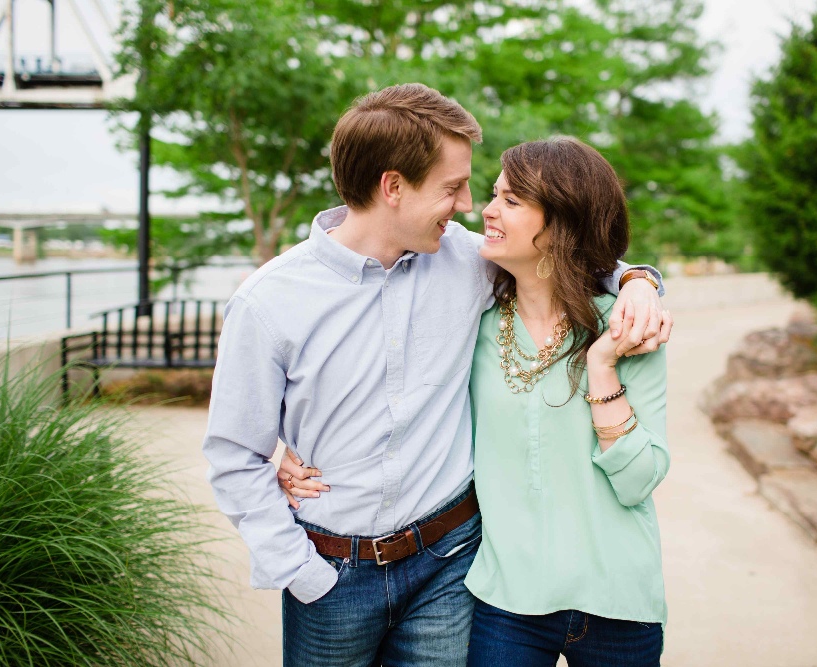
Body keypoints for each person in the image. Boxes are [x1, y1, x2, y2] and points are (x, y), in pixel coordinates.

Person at [204, 83, 671, 667]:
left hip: (448, 569)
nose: (469, 205)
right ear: (393, 187)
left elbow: (568, 252)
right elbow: (234, 454)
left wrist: (638, 280)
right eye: (452, 188)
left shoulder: (467, 260)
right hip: (329, 575)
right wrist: (299, 571)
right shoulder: (267, 302)